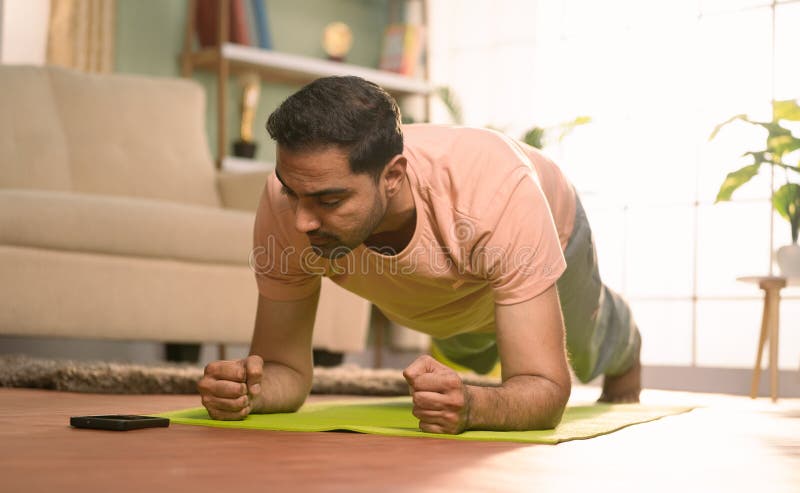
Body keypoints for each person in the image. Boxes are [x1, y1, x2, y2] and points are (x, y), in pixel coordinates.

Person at [197, 76, 642, 434]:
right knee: (471, 353)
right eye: (293, 193)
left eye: (329, 201)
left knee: (589, 344)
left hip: (549, 227)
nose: (300, 223)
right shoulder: (286, 200)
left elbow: (544, 389)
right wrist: (249, 391)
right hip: (447, 287)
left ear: (392, 176)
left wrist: (474, 406)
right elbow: (285, 371)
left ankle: (623, 333)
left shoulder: (497, 192)